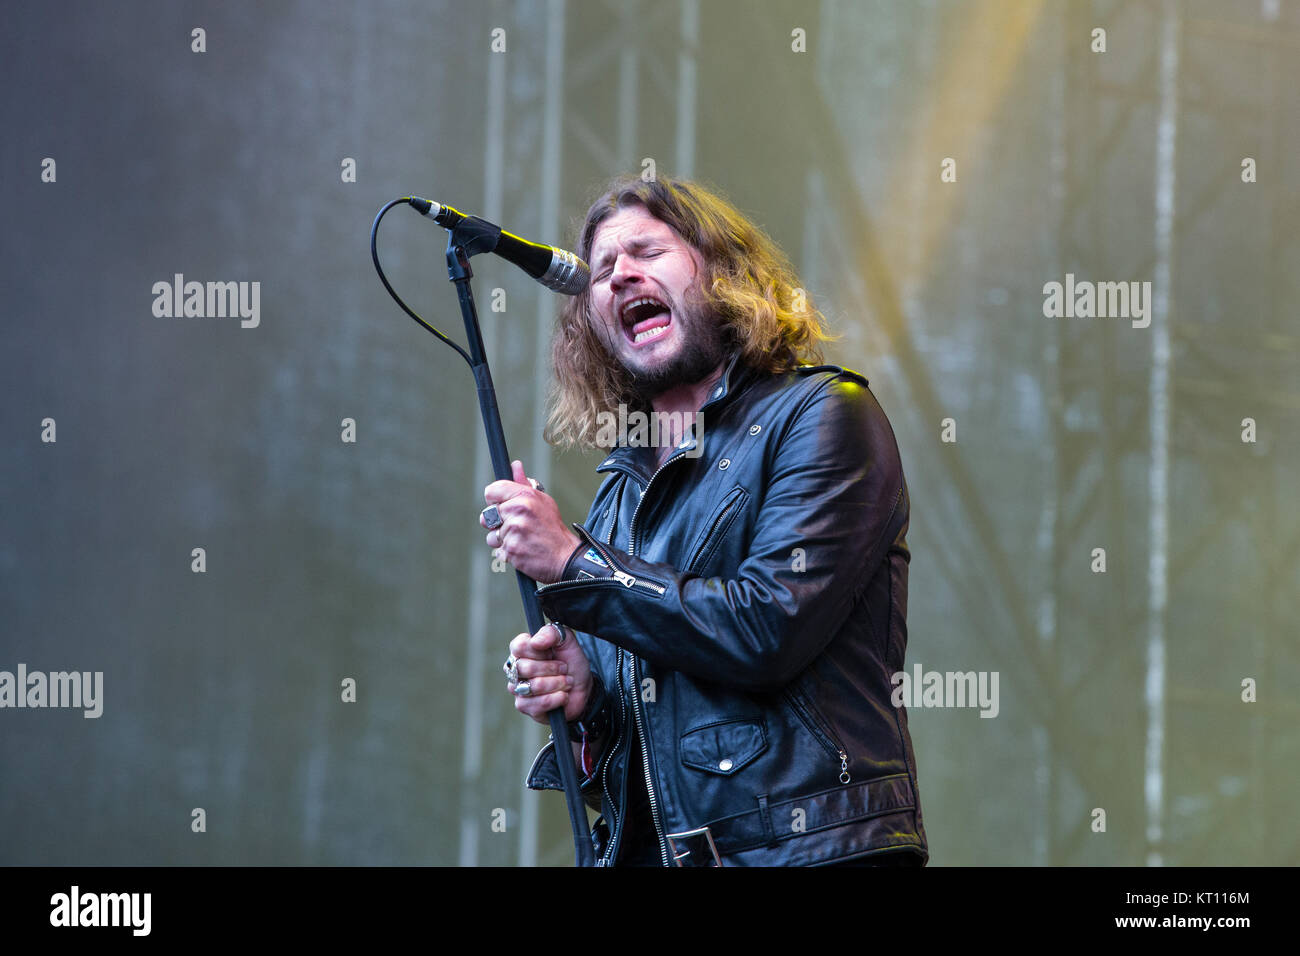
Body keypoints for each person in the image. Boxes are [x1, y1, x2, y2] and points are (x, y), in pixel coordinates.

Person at [480, 176, 927, 866]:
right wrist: (589, 695)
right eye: (602, 270)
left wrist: (575, 563)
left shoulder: (823, 415)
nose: (622, 274)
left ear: (725, 275)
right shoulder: (620, 492)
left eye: (647, 252)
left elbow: (767, 629)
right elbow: (662, 749)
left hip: (807, 852)